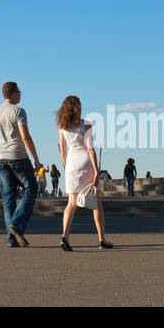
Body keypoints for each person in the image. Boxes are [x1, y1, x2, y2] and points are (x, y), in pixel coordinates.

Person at [0, 81, 43, 248]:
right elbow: (25, 136)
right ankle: (17, 224)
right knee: (31, 188)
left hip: (1, 158)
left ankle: (11, 239)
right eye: (19, 92)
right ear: (12, 93)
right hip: (17, 155)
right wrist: (36, 159)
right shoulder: (19, 111)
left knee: (8, 197)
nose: (20, 94)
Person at [56, 95, 112, 250]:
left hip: (72, 163)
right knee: (96, 203)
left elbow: (62, 151)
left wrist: (67, 167)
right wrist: (96, 170)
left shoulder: (62, 126)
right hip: (86, 162)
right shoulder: (85, 124)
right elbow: (90, 149)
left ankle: (64, 237)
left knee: (71, 204)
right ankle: (102, 239)